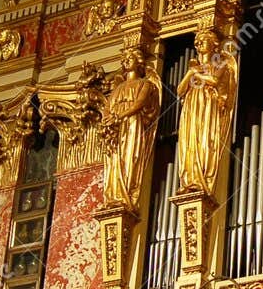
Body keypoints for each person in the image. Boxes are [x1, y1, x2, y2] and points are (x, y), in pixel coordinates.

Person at [175, 30, 237, 193]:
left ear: (214, 44)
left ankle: (201, 178)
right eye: (197, 40)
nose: (198, 42)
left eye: (203, 39)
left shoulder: (219, 63)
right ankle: (190, 179)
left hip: (208, 104)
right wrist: (190, 72)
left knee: (204, 138)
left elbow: (214, 80)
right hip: (191, 105)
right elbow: (180, 91)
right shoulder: (193, 67)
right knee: (190, 139)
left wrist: (197, 74)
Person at [101, 44, 163, 208]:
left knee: (130, 156)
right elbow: (107, 108)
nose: (126, 60)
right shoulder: (117, 88)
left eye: (131, 58)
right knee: (115, 159)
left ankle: (127, 192)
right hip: (116, 126)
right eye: (125, 59)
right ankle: (115, 194)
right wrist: (108, 120)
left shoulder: (145, 84)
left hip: (132, 122)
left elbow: (139, 103)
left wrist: (118, 116)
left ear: (139, 62)